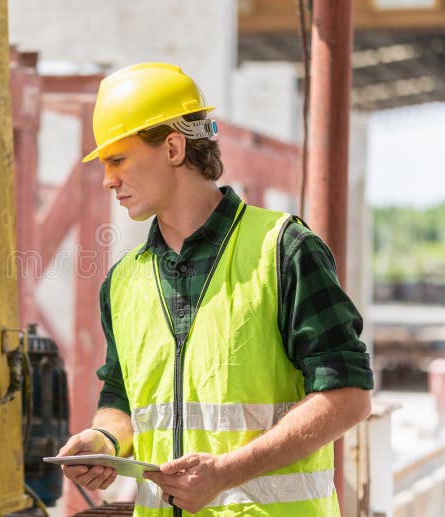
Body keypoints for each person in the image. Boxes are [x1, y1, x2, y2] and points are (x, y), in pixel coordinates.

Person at [56, 62, 373, 516]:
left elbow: (348, 396)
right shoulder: (123, 281)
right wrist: (104, 439)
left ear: (172, 147)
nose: (108, 179)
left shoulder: (284, 250)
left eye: (117, 159)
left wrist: (227, 471)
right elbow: (120, 399)